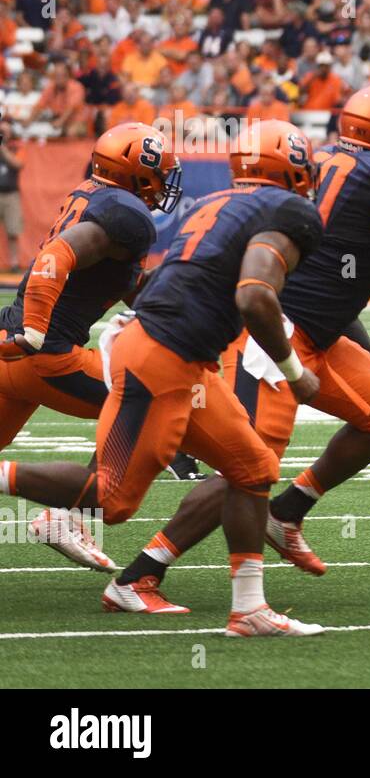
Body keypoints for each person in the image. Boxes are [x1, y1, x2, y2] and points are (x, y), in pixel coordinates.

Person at [107, 85, 370, 596]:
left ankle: (288, 512)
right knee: (249, 466)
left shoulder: (326, 160)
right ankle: (142, 572)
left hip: (317, 331)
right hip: (276, 334)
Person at [5, 119, 325, 635]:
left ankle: (248, 609)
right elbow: (253, 295)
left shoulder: (210, 205)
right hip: (158, 357)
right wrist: (295, 370)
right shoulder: (287, 212)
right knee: (109, 498)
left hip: (177, 355)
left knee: (254, 468)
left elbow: (166, 282)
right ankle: (85, 539)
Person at [0, 123, 174, 573]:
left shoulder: (96, 195)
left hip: (12, 352)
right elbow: (55, 256)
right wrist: (37, 330)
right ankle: (69, 514)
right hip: (45, 355)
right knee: (147, 400)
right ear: (138, 174)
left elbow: (129, 286)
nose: (167, 184)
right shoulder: (127, 213)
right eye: (160, 173)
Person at [0, 112, 23, 271]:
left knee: (13, 230)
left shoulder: (16, 147)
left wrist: (1, 147)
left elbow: (18, 164)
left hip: (11, 194)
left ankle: (14, 263)